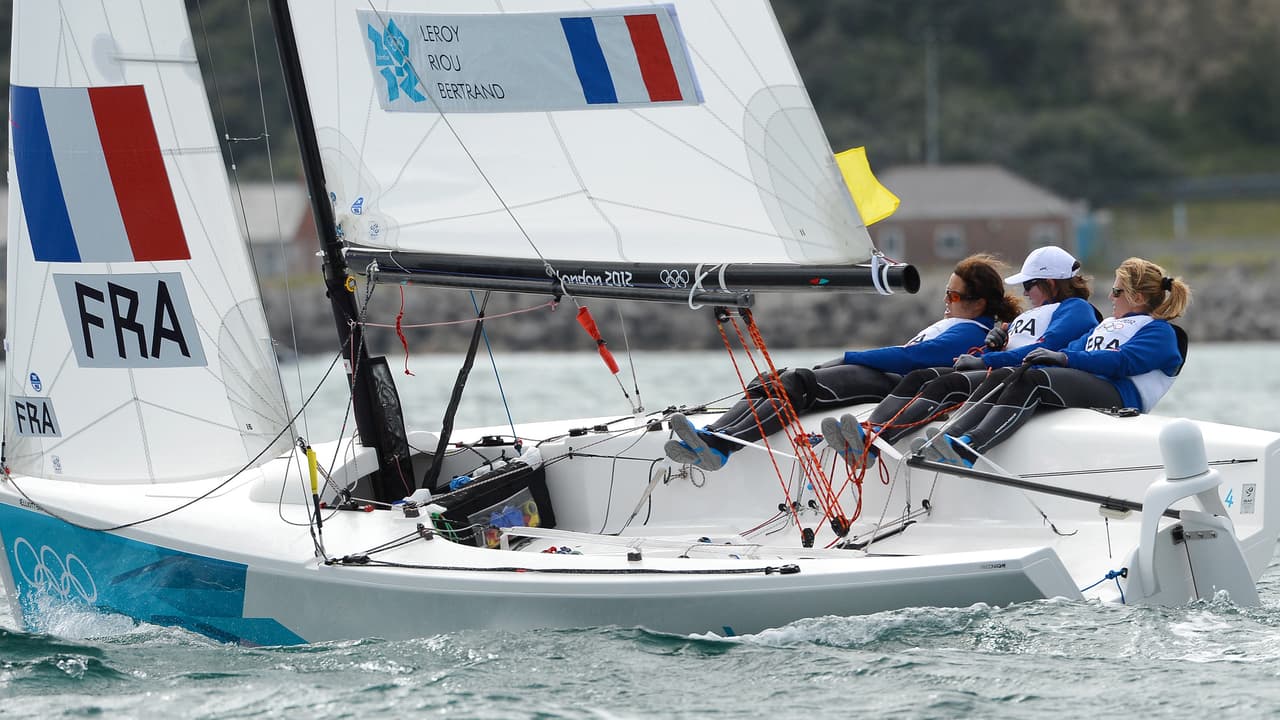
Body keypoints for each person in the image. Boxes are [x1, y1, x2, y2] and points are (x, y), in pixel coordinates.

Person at [664, 254, 1022, 470]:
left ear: (978, 303)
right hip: (879, 374)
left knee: (798, 384)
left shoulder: (974, 330)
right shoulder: (958, 321)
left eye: (954, 295)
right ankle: (711, 436)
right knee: (770, 380)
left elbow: (912, 358)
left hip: (885, 382)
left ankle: (723, 445)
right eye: (946, 292)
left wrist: (847, 356)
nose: (946, 300)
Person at [823, 246, 1098, 459]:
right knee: (923, 376)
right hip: (997, 370)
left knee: (949, 383)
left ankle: (878, 442)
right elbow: (1020, 344)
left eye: (1029, 285)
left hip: (1013, 376)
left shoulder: (1076, 309)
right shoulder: (1037, 312)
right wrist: (998, 341)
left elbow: (1043, 348)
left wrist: (984, 359)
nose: (1024, 293)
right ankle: (871, 432)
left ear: (1050, 284)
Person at [922, 256, 1191, 466]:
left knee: (1035, 380)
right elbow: (1075, 350)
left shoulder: (1161, 332)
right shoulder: (1106, 324)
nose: (1110, 297)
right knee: (1010, 374)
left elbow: (1122, 362)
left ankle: (972, 446)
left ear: (1138, 297)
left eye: (1117, 291)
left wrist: (1062, 357)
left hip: (1119, 394)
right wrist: (995, 358)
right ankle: (950, 435)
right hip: (1088, 382)